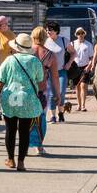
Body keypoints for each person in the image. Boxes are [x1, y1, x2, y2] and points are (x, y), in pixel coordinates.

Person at [0, 32, 45, 171]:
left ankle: (10, 159)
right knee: (24, 132)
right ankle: (21, 162)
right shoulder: (35, 61)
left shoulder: (9, 60)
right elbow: (41, 82)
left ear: (16, 47)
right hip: (27, 100)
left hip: (9, 99)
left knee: (10, 130)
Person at [31, 25, 61, 155]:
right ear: (45, 38)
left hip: (26, 89)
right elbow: (55, 77)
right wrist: (58, 95)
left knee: (25, 118)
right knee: (40, 118)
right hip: (41, 91)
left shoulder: (26, 51)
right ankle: (39, 146)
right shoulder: (50, 54)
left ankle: (24, 144)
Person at [44, 21, 73, 120]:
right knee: (52, 94)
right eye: (47, 29)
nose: (48, 31)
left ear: (56, 31)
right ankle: (53, 115)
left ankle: (61, 112)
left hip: (61, 71)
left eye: (50, 30)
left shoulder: (64, 40)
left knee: (61, 92)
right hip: (49, 72)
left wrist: (69, 63)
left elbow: (73, 53)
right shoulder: (45, 41)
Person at [71, 27, 94, 111]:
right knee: (77, 87)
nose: (80, 35)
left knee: (83, 86)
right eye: (78, 33)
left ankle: (83, 105)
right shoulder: (72, 43)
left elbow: (92, 57)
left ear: (84, 34)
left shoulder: (88, 45)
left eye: (82, 33)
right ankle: (79, 105)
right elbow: (69, 56)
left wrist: (89, 66)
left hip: (85, 67)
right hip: (75, 68)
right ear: (76, 35)